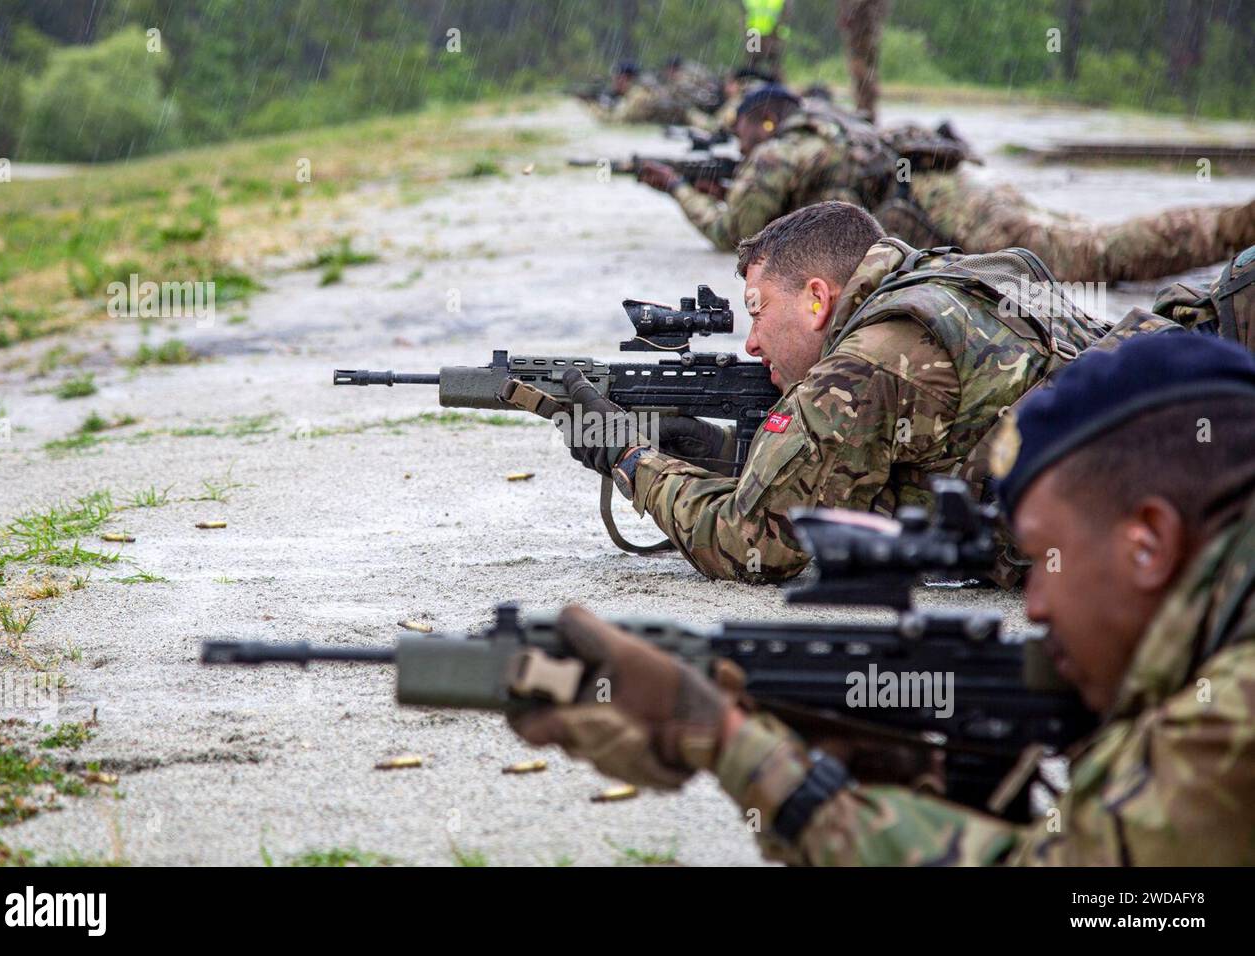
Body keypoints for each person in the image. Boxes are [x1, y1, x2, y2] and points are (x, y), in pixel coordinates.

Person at [513, 333, 1255, 865]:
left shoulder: (1233, 716)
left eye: (1049, 558)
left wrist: (735, 746)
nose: (1033, 605)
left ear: (1148, 542)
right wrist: (913, 783)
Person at [550, 200, 1105, 586]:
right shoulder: (954, 282)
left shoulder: (869, 363)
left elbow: (753, 546)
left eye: (757, 310)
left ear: (817, 299)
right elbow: (850, 476)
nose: (751, 343)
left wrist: (627, 457)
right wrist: (716, 452)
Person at [637, 86, 1255, 284]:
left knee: (1090, 256)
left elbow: (731, 233)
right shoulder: (822, 132)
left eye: (740, 132)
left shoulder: (778, 151)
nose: (739, 145)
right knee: (1084, 240)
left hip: (948, 205)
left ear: (761, 120)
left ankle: (1240, 224)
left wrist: (675, 189)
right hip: (956, 181)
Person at [837, 0, 888, 121]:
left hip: (862, 32)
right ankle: (866, 111)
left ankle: (866, 112)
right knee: (864, 75)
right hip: (865, 31)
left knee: (861, 72)